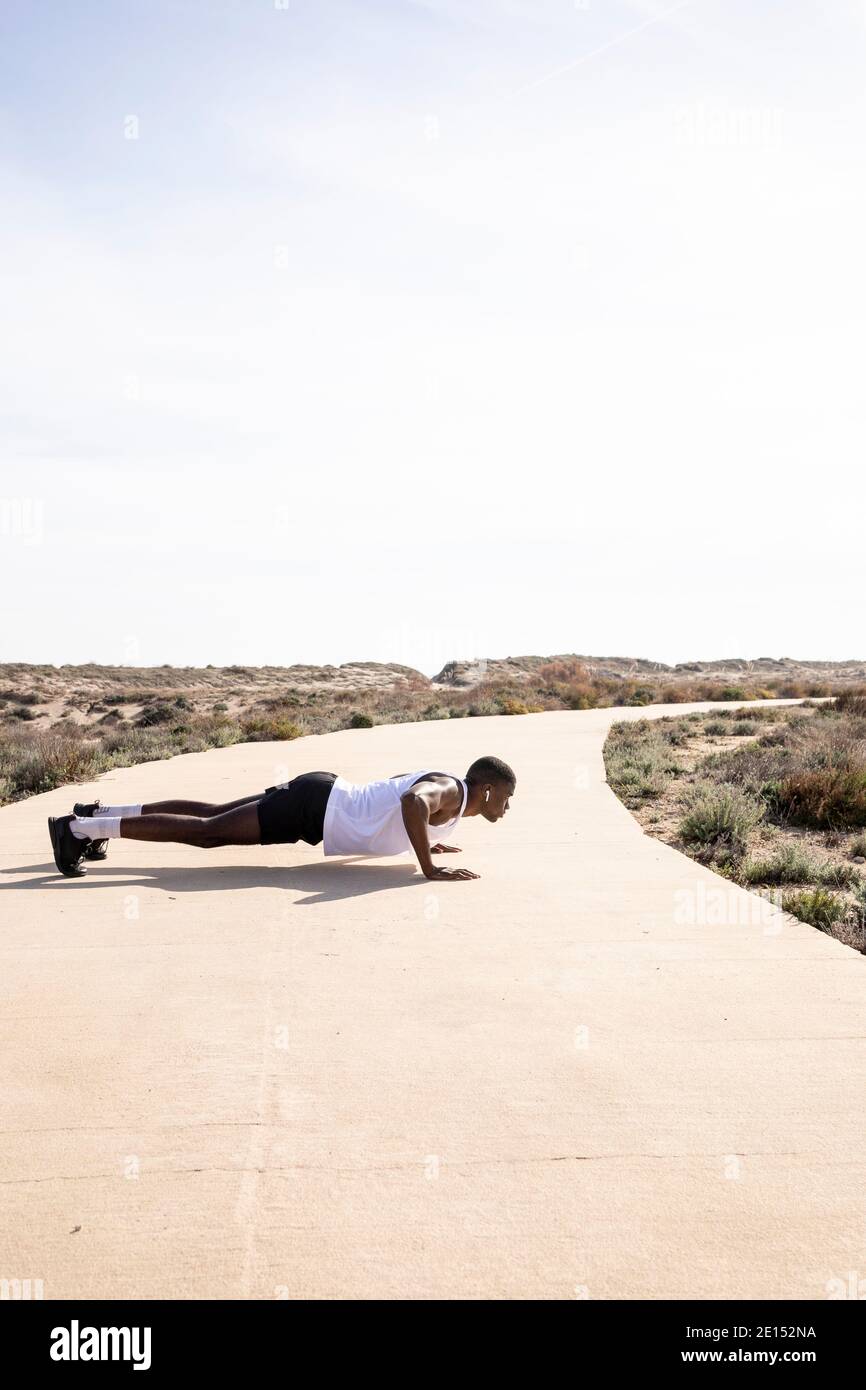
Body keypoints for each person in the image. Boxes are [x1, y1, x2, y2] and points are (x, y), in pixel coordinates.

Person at [48, 754, 516, 883]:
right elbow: (412, 802)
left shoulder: (451, 792)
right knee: (210, 833)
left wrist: (425, 842)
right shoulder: (453, 789)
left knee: (213, 815)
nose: (507, 808)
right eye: (507, 798)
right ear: (488, 789)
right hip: (317, 807)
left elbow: (398, 797)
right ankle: (77, 830)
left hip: (323, 796)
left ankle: (97, 814)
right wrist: (428, 867)